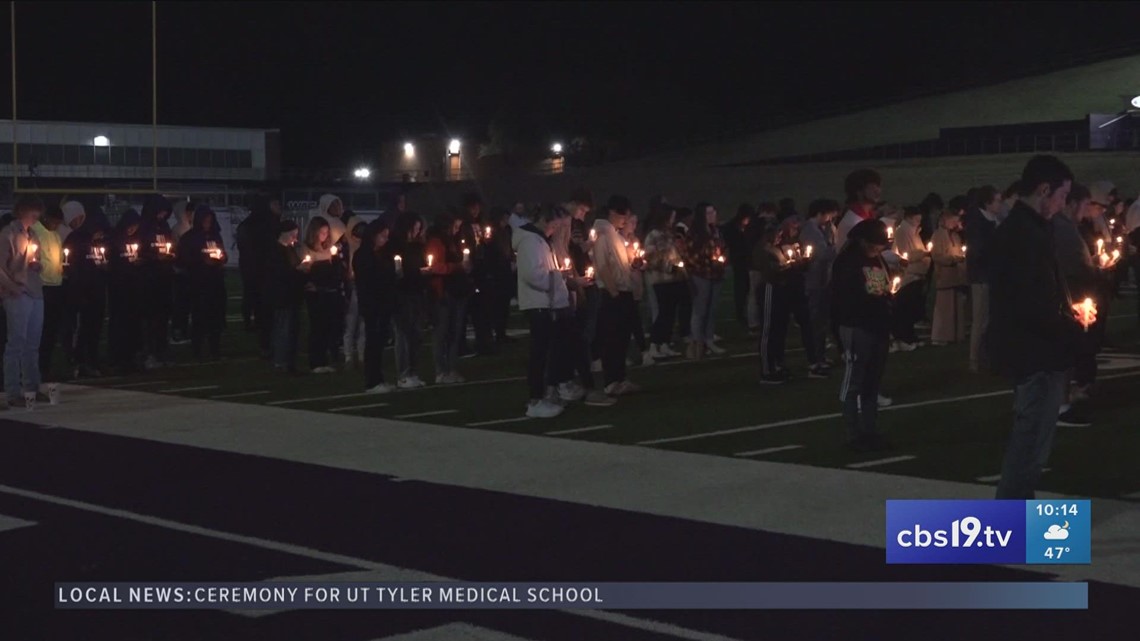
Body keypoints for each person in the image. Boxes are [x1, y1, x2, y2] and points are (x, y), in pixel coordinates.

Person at [988, 155, 1080, 500]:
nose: (1061, 204)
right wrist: (1069, 329)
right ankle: (1011, 519)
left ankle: (1016, 511)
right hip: (1035, 349)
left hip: (1036, 345)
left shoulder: (1026, 229)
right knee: (1031, 437)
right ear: (1044, 190)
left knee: (1035, 434)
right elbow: (1032, 301)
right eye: (1061, 195)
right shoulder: (1023, 234)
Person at [832, 219, 894, 451]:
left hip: (878, 326)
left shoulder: (877, 260)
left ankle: (870, 430)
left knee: (872, 381)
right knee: (854, 381)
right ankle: (852, 433)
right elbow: (840, 300)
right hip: (856, 327)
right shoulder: (848, 262)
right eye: (876, 244)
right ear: (863, 241)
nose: (879, 249)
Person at [513, 206, 575, 418]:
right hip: (537, 303)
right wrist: (557, 277)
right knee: (539, 353)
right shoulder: (531, 241)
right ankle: (535, 399)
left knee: (544, 351)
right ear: (544, 221)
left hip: (542, 302)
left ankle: (541, 396)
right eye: (554, 225)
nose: (554, 230)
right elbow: (533, 274)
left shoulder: (537, 240)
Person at [1052, 184, 1096, 428]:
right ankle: (1060, 406)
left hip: (1070, 298)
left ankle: (1061, 401)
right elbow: (1074, 267)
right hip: (1067, 300)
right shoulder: (1062, 228)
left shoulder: (1066, 227)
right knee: (1064, 355)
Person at [591, 195, 640, 396]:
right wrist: (613, 291)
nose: (625, 220)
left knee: (622, 338)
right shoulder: (603, 234)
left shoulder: (616, 235)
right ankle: (612, 380)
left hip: (623, 291)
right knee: (613, 338)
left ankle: (620, 378)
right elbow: (602, 265)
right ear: (612, 212)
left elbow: (621, 263)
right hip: (614, 293)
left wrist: (634, 261)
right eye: (623, 215)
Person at [0, 195, 46, 406]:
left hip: (35, 290)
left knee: (32, 343)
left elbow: (37, 261)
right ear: (23, 212)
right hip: (17, 292)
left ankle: (32, 387)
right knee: (16, 343)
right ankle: (12, 391)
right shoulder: (8, 234)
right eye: (33, 211)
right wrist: (11, 287)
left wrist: (38, 265)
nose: (36, 216)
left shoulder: (33, 234)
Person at [61, 200, 109, 378]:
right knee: (82, 328)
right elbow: (72, 266)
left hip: (97, 289)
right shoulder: (75, 239)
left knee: (95, 327)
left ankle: (92, 360)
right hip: (81, 291)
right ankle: (79, 361)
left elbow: (103, 262)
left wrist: (104, 267)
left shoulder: (98, 242)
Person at [424, 212, 473, 384]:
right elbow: (435, 267)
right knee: (442, 332)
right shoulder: (436, 242)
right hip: (444, 292)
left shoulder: (452, 241)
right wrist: (456, 267)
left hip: (457, 291)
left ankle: (451, 369)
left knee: (455, 332)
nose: (457, 229)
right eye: (455, 226)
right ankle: (441, 371)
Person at [178, 205, 228, 360]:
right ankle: (197, 350)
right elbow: (183, 259)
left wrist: (221, 259)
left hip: (216, 282)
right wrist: (202, 261)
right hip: (198, 283)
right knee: (199, 318)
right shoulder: (189, 238)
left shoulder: (215, 236)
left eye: (210, 221)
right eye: (205, 221)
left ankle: (215, 349)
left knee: (216, 319)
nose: (208, 223)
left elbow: (223, 254)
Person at [354, 220, 398, 394]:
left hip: (383, 302)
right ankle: (372, 381)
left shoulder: (380, 253)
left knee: (379, 343)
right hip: (372, 303)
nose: (385, 239)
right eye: (383, 236)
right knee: (373, 342)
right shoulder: (363, 255)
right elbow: (369, 280)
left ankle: (378, 378)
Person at [236, 193, 281, 357]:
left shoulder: (247, 225)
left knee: (258, 305)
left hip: (253, 270)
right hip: (265, 272)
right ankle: (267, 343)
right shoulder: (267, 225)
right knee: (268, 311)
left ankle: (262, 338)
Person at [299, 217, 345, 374]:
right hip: (315, 292)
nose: (325, 235)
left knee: (328, 326)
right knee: (317, 327)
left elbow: (337, 271)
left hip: (329, 291)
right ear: (314, 232)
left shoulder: (330, 249)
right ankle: (315, 361)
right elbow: (304, 270)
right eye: (321, 232)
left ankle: (326, 359)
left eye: (326, 232)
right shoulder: (306, 248)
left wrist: (337, 258)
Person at [963, 186, 1000, 371]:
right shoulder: (979, 222)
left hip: (989, 273)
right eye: (997, 201)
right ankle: (974, 359)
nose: (1000, 205)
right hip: (981, 275)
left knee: (987, 318)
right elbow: (978, 251)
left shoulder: (991, 220)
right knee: (980, 318)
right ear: (987, 203)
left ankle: (985, 355)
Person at [265, 220, 308, 374]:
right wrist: (298, 270)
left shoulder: (289, 249)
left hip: (292, 295)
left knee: (291, 329)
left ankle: (288, 361)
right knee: (283, 329)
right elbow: (280, 274)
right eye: (293, 235)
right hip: (283, 296)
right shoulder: (276, 251)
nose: (295, 238)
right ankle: (281, 361)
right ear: (284, 233)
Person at [685, 202, 728, 358]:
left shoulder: (715, 231)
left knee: (711, 309)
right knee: (700, 309)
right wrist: (710, 261)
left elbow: (722, 248)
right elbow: (691, 256)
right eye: (708, 213)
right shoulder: (696, 233)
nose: (713, 215)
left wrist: (721, 259)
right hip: (701, 274)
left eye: (713, 212)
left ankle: (708, 339)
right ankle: (697, 343)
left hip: (715, 274)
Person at [390, 212, 428, 389]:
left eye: (419, 229)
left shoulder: (417, 246)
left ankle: (413, 371)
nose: (417, 232)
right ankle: (403, 374)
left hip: (417, 292)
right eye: (415, 228)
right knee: (403, 334)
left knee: (416, 334)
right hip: (402, 294)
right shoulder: (396, 246)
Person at [138, 194, 175, 369]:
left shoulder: (165, 227)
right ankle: (149, 353)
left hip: (164, 278)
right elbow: (139, 252)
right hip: (148, 279)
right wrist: (154, 257)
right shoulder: (143, 228)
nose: (162, 216)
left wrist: (170, 255)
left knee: (162, 318)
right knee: (149, 319)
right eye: (159, 212)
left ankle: (161, 352)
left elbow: (171, 246)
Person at [107, 209, 145, 374]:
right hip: (118, 288)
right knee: (119, 322)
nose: (132, 230)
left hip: (134, 288)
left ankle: (132, 356)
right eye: (131, 226)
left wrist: (138, 263)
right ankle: (118, 357)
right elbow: (112, 263)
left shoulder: (137, 240)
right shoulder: (115, 240)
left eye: (135, 227)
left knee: (134, 323)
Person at [754, 219, 793, 383]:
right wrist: (787, 267)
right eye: (777, 233)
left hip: (779, 289)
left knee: (779, 329)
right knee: (768, 329)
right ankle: (767, 370)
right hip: (769, 288)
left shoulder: (774, 248)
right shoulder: (763, 250)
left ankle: (777, 363)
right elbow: (769, 272)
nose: (780, 236)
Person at [644, 207, 685, 359]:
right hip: (660, 279)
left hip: (673, 278)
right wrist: (669, 267)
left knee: (670, 313)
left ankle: (665, 343)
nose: (673, 221)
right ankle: (654, 344)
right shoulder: (654, 236)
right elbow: (650, 258)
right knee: (663, 313)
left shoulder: (668, 235)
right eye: (671, 217)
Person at [33, 205, 65, 385]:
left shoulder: (55, 235)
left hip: (56, 285)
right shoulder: (36, 231)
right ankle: (38, 368)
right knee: (41, 331)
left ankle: (46, 367)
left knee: (51, 330)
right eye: (55, 222)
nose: (57, 226)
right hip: (42, 286)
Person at [891, 207, 929, 350]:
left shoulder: (913, 232)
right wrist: (924, 254)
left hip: (917, 274)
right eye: (916, 220)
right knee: (905, 308)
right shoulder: (903, 232)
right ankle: (904, 336)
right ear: (909, 218)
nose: (919, 223)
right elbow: (907, 254)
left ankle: (910, 335)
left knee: (912, 308)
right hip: (909, 275)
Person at [930, 209, 968, 346]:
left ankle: (955, 334)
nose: (956, 223)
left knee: (955, 306)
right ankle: (941, 335)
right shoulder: (938, 235)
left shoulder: (955, 236)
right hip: (944, 274)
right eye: (953, 221)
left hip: (955, 275)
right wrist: (952, 259)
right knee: (944, 306)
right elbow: (936, 255)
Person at [341, 212, 368, 368]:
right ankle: (348, 356)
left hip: (363, 286)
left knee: (363, 324)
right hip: (351, 287)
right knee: (351, 323)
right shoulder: (346, 246)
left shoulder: (365, 248)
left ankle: (362, 354)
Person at [723, 204, 755, 328]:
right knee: (741, 288)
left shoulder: (745, 227)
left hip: (745, 259)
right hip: (739, 260)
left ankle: (743, 312)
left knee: (746, 287)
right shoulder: (732, 228)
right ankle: (740, 313)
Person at [835, 169, 883, 250]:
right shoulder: (853, 222)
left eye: (878, 186)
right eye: (872, 188)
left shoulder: (867, 217)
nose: (878, 191)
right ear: (859, 191)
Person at [169, 199, 195, 344]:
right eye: (188, 212)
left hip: (191, 271)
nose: (191, 215)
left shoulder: (192, 228)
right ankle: (178, 330)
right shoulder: (177, 229)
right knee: (180, 303)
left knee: (189, 303)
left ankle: (185, 330)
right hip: (180, 271)